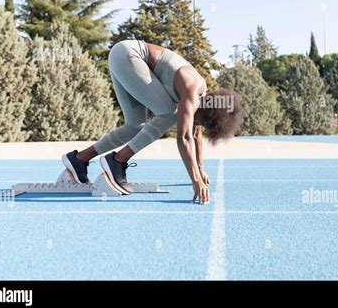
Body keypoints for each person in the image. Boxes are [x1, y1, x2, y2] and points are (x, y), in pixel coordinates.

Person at [62, 40, 244, 205]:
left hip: (121, 56)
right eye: (202, 123)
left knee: (134, 125)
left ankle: (79, 159)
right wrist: (195, 179)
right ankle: (117, 160)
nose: (198, 126)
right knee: (169, 113)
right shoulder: (192, 89)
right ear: (205, 112)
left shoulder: (201, 101)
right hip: (128, 55)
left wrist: (200, 169)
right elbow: (184, 137)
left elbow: (195, 134)